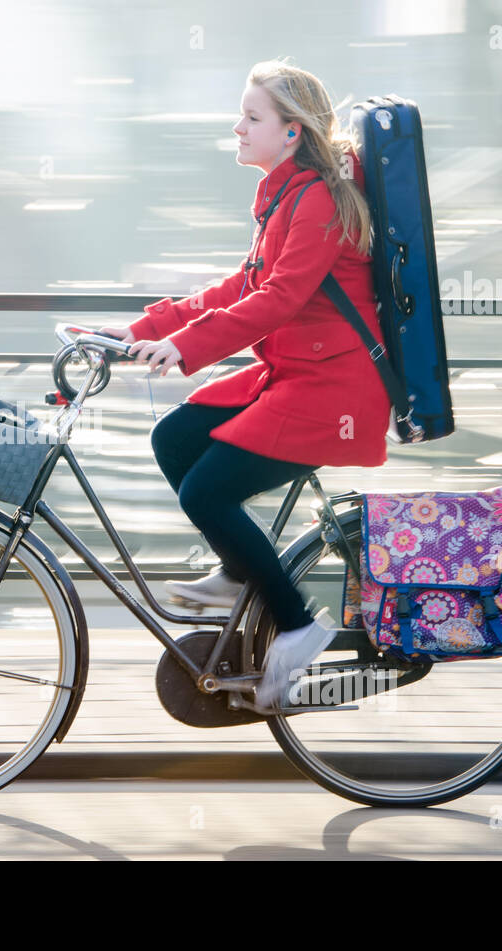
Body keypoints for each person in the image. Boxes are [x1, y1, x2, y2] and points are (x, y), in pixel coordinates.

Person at [98, 59, 391, 711]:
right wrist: (138, 331)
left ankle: (297, 624)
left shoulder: (315, 199)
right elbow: (239, 287)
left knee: (207, 488)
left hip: (334, 390)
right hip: (299, 373)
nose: (237, 126)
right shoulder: (287, 195)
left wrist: (183, 347)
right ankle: (241, 571)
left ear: (291, 133)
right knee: (175, 439)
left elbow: (280, 298)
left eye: (252, 117)